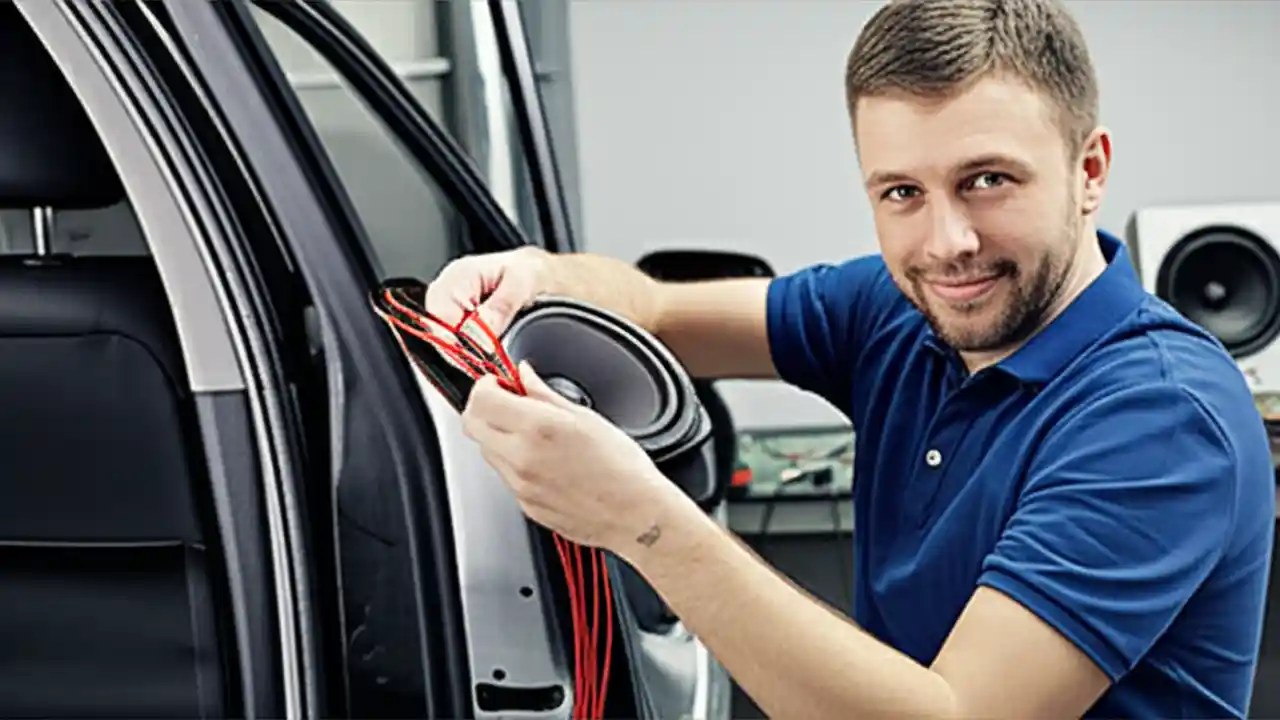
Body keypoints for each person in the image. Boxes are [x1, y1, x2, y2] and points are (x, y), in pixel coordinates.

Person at [426, 0, 1276, 717]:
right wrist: (537, 276)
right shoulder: (894, 307)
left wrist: (642, 522)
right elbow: (654, 306)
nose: (949, 243)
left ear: (1088, 170)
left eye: (988, 180)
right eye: (902, 192)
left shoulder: (1162, 414)